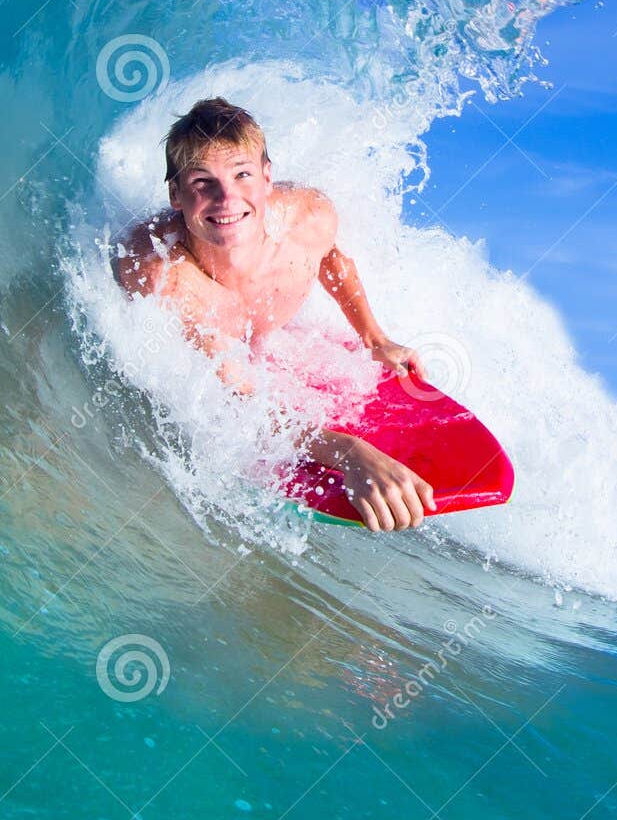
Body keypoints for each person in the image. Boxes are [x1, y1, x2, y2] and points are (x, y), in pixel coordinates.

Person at [111, 96, 436, 532]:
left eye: (243, 174)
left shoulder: (309, 218)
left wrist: (374, 338)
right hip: (212, 347)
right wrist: (348, 452)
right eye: (203, 181)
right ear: (175, 194)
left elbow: (331, 260)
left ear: (267, 177)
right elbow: (244, 410)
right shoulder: (165, 276)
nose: (227, 198)